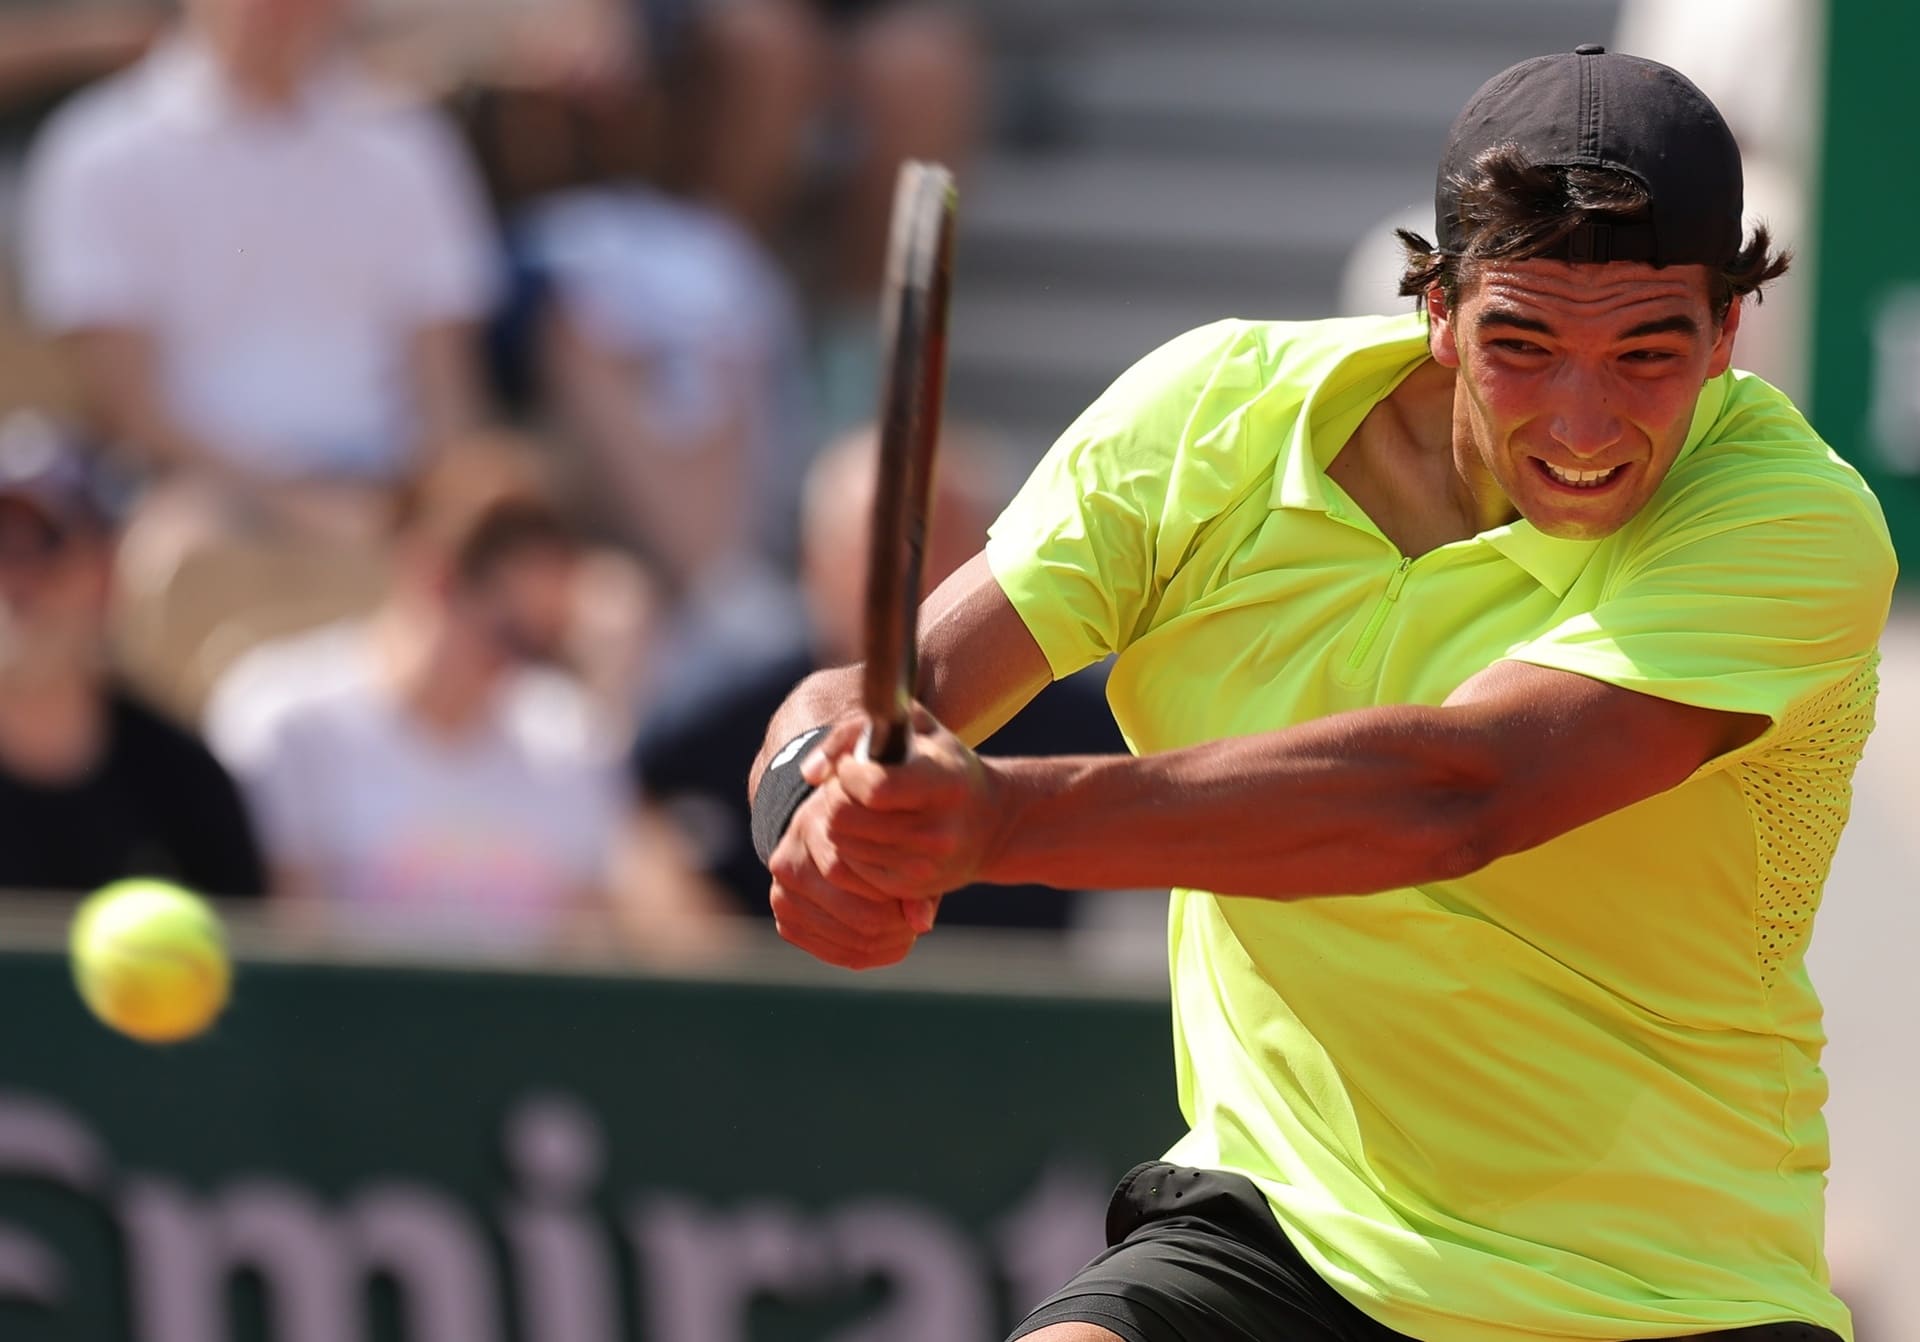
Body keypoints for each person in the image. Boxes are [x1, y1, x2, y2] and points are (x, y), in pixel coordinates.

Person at [748, 46, 1894, 1342]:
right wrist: (813, 794)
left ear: (1728, 332)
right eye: (1524, 344)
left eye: (1646, 352)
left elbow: (1458, 792)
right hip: (1282, 1237)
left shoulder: (1788, 517)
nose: (1585, 421)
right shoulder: (1208, 419)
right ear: (1438, 308)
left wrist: (996, 824)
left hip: (1668, 1295)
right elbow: (892, 690)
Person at [18, 0, 499, 710]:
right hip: (198, 492)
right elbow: (130, 407)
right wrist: (300, 502)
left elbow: (446, 389)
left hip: (388, 493)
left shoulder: (410, 145)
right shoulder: (97, 148)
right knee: (178, 562)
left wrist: (443, 513)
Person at [204, 444, 727, 961]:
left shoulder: (570, 736)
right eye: (510, 635)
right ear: (433, 578)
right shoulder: (285, 721)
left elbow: (670, 943)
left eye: (546, 644)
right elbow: (290, 955)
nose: (522, 668)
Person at [636, 423, 1126, 930]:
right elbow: (636, 805)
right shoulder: (733, 702)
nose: (918, 569)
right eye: (880, 541)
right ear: (815, 560)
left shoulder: (1081, 718)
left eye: (948, 539)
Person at [0, 412, 265, 899]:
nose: (16, 582)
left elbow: (249, 958)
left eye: (43, 545)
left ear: (104, 576)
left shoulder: (186, 782)